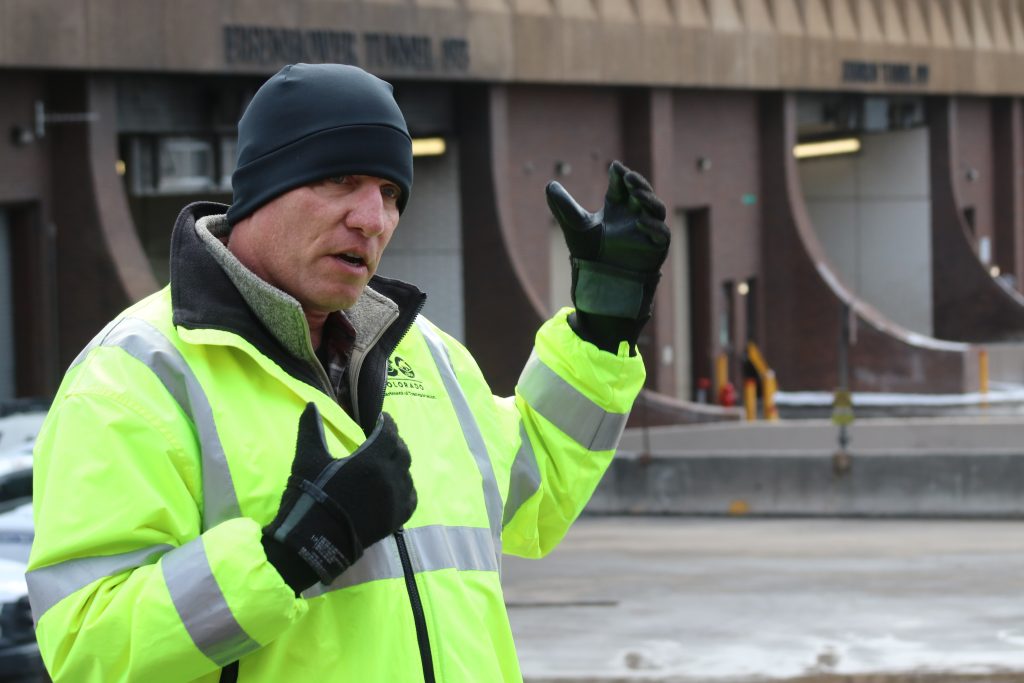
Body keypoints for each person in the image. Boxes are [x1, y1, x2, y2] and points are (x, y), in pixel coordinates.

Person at [26, 63, 669, 682]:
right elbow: (85, 648)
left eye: (390, 193)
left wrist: (600, 329)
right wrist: (284, 558)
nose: (374, 218)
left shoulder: (426, 353)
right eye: (340, 180)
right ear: (263, 189)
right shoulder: (138, 377)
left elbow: (534, 492)